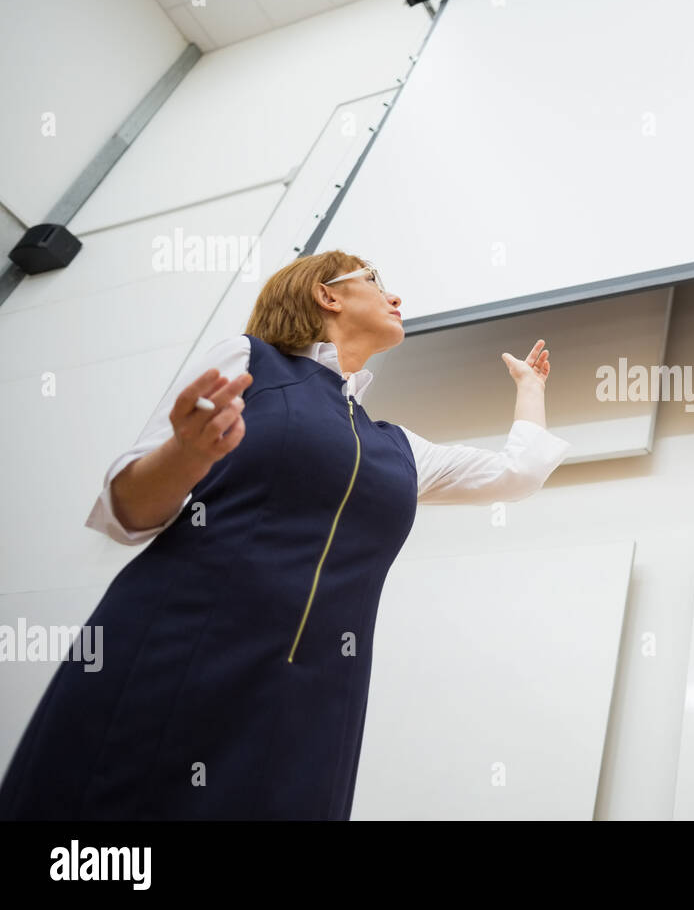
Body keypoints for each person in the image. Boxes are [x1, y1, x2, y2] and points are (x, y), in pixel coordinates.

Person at [0, 250, 570, 819]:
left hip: (312, 700)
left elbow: (515, 474)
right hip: (178, 652)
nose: (396, 298)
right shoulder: (252, 362)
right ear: (328, 294)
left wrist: (530, 387)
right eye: (377, 281)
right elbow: (124, 510)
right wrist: (187, 453)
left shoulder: (398, 448)